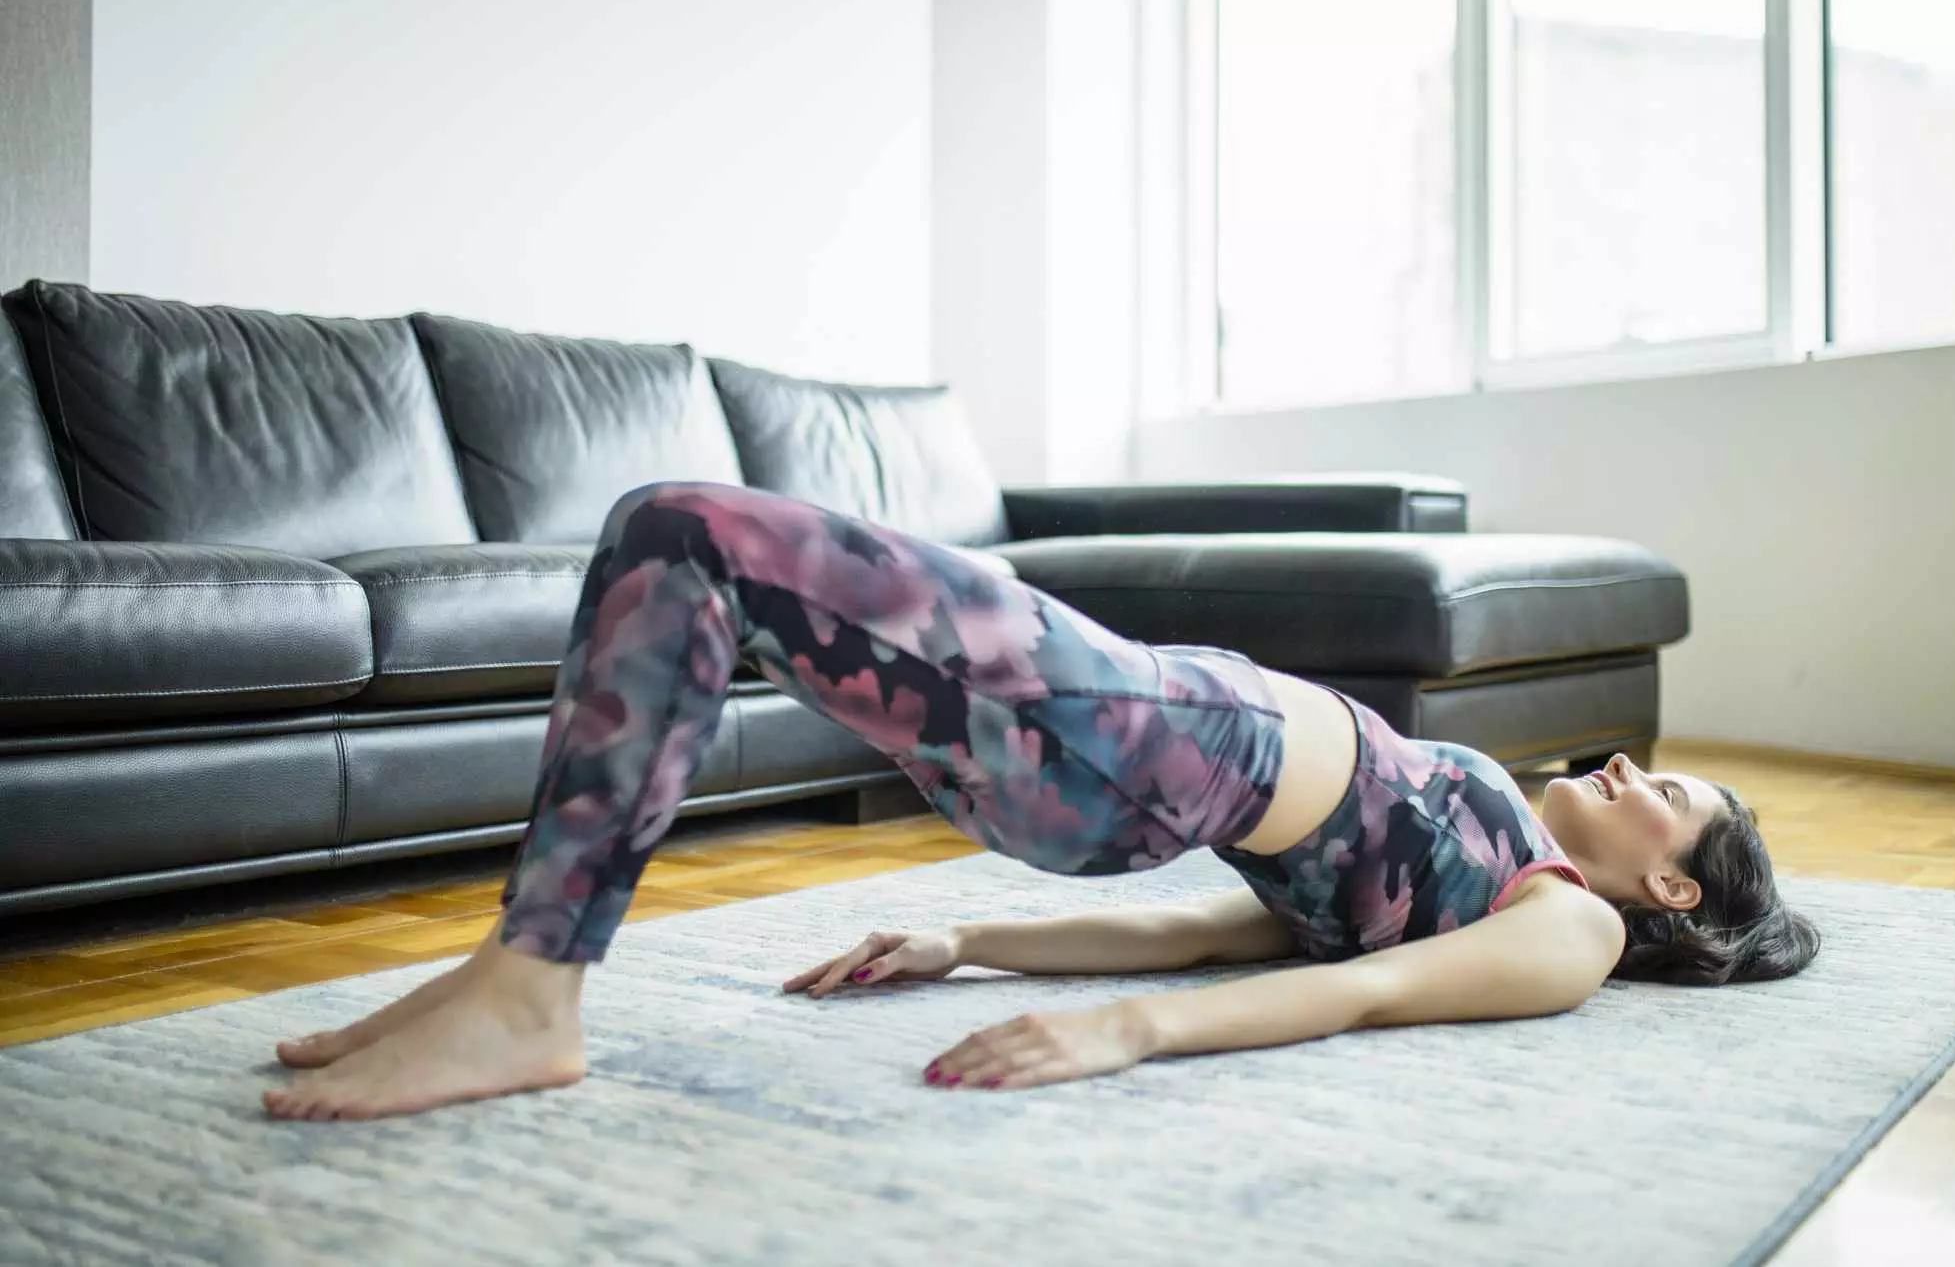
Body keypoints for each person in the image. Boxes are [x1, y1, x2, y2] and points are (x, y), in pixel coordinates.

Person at [264, 482, 1818, 1120]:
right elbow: (1228, 928)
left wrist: (1121, 1038)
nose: (1624, 770)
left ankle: (536, 990)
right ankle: (516, 966)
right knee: (681, 570)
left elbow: (1354, 992)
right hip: (1124, 754)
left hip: (1158, 736)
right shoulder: (1509, 849)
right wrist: (970, 943)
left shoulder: (1569, 936)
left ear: (1672, 888)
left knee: (683, 528)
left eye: (1662, 794)